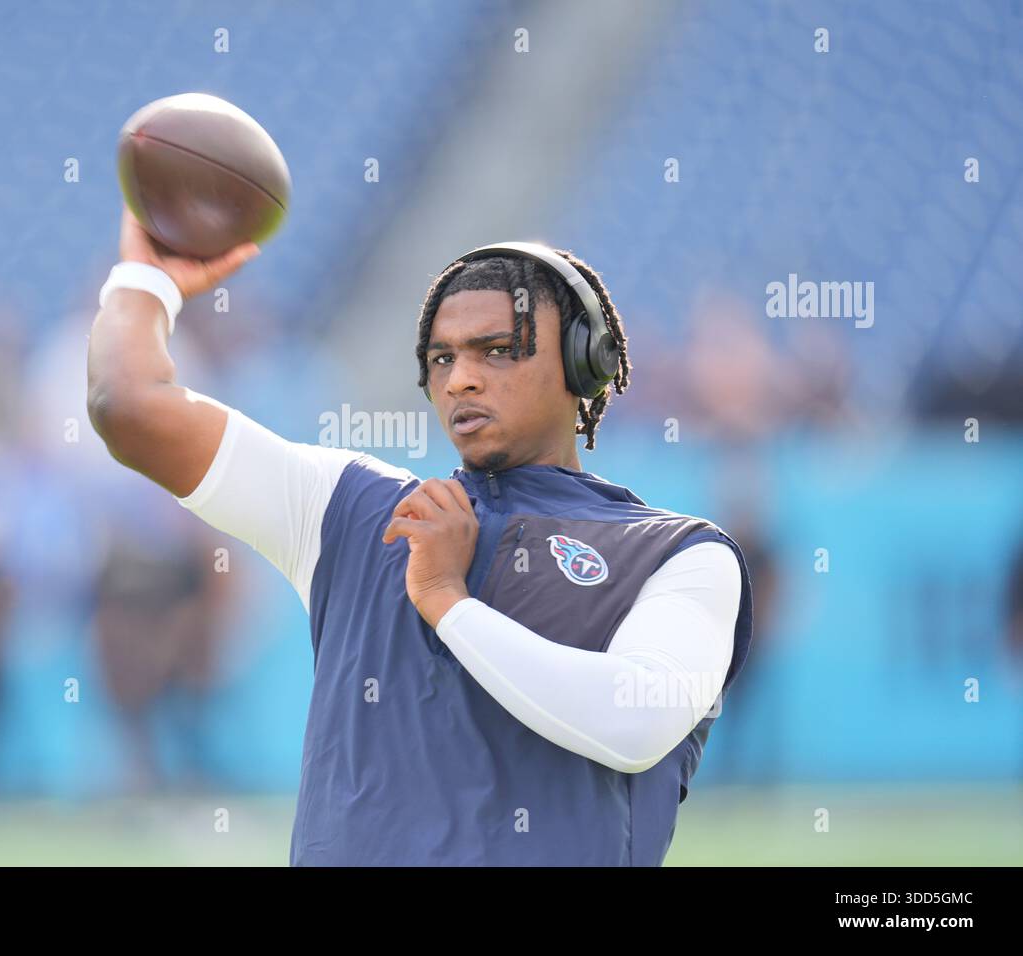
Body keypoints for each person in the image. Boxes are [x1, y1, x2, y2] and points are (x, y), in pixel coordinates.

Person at [86, 208, 754, 865]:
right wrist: (145, 282)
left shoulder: (682, 556)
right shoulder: (349, 509)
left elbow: (631, 725)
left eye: (498, 349)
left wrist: (446, 601)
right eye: (441, 357)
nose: (460, 377)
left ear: (586, 362)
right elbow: (130, 409)